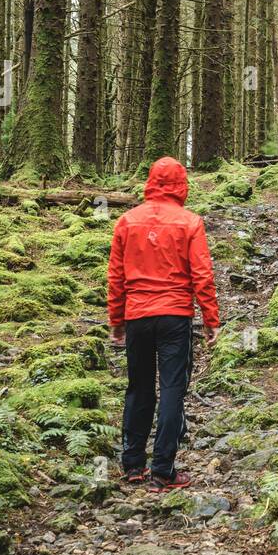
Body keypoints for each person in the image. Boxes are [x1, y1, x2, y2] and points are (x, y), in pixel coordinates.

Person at [107, 156, 220, 491]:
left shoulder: (127, 221)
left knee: (138, 386)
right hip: (174, 316)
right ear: (181, 183)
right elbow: (202, 274)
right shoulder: (190, 222)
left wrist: (117, 319)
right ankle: (163, 470)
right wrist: (211, 318)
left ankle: (132, 466)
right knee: (172, 388)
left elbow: (116, 277)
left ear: (150, 181)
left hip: (138, 316)